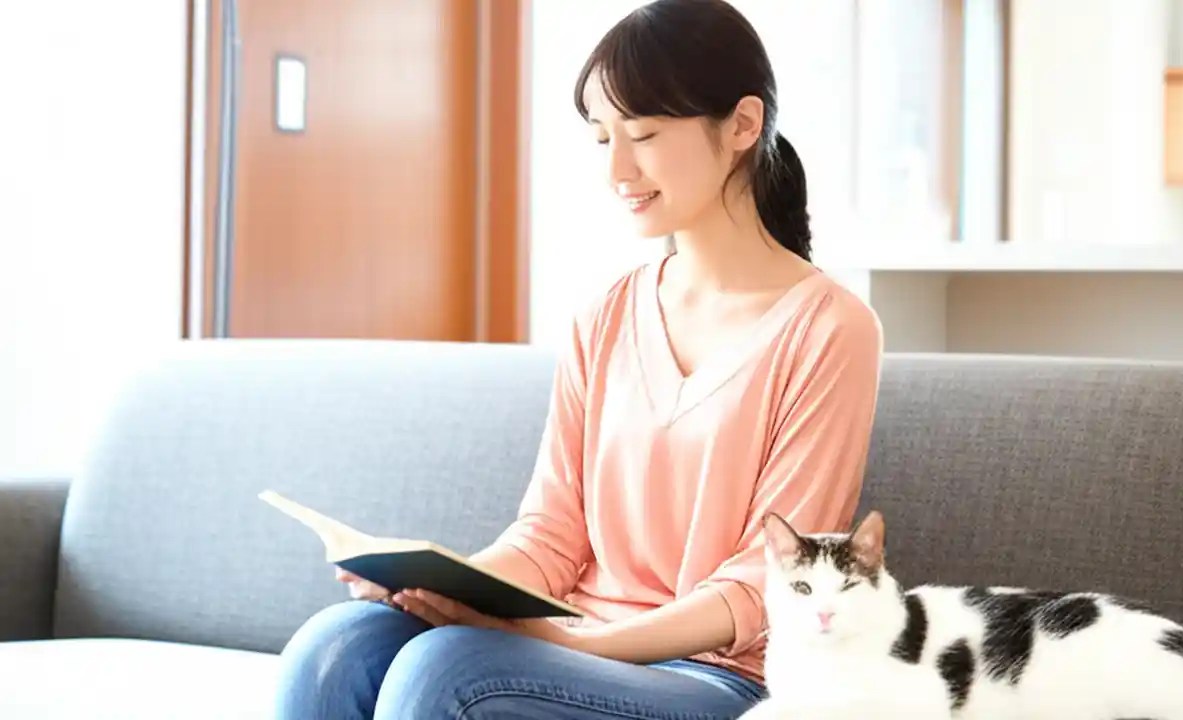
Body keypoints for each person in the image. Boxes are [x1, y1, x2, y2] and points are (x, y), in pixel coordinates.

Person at [273, 0, 882, 717]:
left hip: (718, 678)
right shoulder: (605, 315)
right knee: (333, 648)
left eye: (644, 134)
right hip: (571, 636)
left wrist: (565, 643)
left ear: (743, 126)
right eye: (601, 138)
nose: (618, 168)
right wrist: (445, 584)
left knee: (445, 673)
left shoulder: (832, 329)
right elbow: (550, 538)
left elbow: (758, 587)